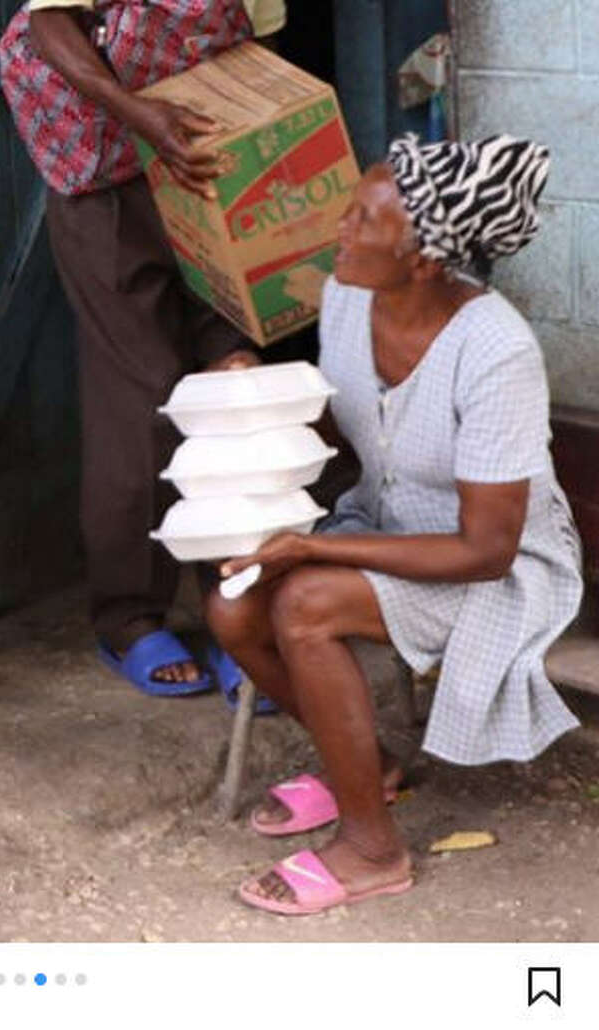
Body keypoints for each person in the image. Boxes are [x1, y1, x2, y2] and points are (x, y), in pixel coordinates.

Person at [210, 134, 584, 918]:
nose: (339, 231)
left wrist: (316, 545)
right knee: (234, 605)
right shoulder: (349, 296)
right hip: (381, 527)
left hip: (497, 570)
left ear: (425, 261)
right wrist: (259, 382)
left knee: (304, 601)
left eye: (364, 223)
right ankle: (367, 763)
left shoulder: (494, 350)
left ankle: (373, 850)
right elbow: (358, 421)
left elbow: (485, 549)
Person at [25, 0, 292, 695]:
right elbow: (54, 21)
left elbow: (254, 41)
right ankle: (130, 614)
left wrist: (264, 165)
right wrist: (145, 124)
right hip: (109, 169)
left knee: (232, 381)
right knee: (141, 393)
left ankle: (235, 609)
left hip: (212, 169)